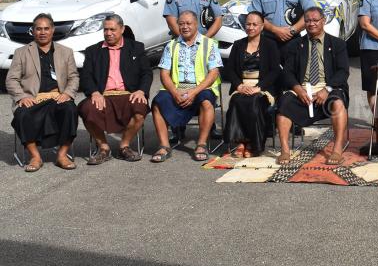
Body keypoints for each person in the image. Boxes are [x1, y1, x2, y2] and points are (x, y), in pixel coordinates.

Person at [275, 7, 350, 165]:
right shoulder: (295, 45)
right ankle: (285, 150)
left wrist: (326, 90)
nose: (311, 24)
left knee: (337, 103)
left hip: (328, 87)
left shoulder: (337, 44)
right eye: (307, 20)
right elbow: (287, 72)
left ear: (324, 21)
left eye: (315, 20)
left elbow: (343, 72)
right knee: (284, 105)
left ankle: (337, 150)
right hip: (302, 88)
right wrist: (298, 89)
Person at [6, 13, 80, 172]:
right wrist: (21, 97)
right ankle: (35, 156)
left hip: (57, 97)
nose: (43, 32)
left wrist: (67, 93)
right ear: (33, 31)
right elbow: (11, 79)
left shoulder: (65, 52)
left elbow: (74, 77)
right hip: (33, 98)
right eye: (38, 29)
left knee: (70, 110)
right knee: (22, 114)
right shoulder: (21, 52)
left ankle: (62, 155)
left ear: (53, 30)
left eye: (46, 28)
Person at [150, 10, 223, 163]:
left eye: (188, 23)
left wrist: (194, 92)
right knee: (157, 102)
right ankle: (164, 146)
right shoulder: (171, 45)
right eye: (181, 23)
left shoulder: (209, 44)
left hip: (201, 88)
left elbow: (214, 73)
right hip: (177, 88)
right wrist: (175, 92)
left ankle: (201, 144)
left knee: (206, 101)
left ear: (196, 24)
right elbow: (164, 73)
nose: (185, 27)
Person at [78, 14, 152, 165]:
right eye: (105, 30)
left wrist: (141, 91)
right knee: (86, 109)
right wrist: (94, 92)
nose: (108, 33)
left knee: (140, 109)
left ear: (122, 29)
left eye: (112, 29)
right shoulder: (93, 51)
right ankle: (104, 148)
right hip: (103, 95)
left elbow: (147, 73)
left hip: (128, 94)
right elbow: (86, 76)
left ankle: (124, 146)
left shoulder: (136, 48)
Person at [222, 11, 281, 158]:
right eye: (248, 24)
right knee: (237, 101)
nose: (251, 27)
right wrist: (239, 86)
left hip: (262, 87)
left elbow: (275, 71)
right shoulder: (238, 45)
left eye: (255, 24)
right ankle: (240, 142)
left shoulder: (270, 45)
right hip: (242, 85)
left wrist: (258, 88)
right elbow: (229, 70)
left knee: (254, 101)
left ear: (262, 27)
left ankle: (253, 143)